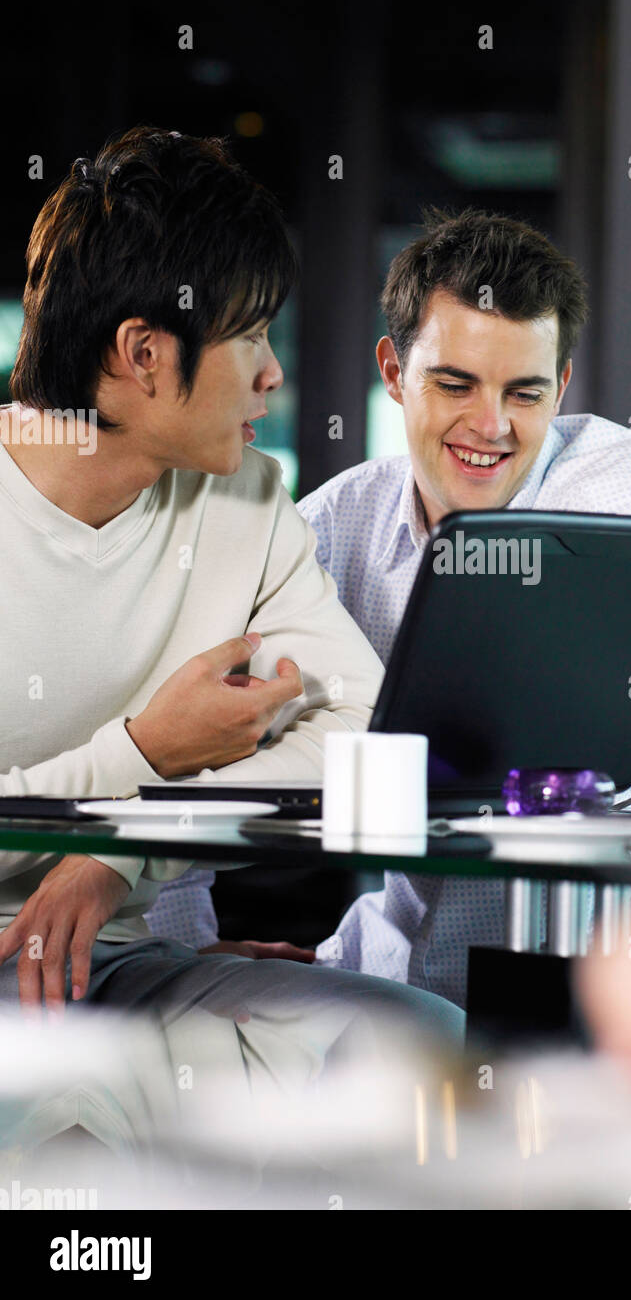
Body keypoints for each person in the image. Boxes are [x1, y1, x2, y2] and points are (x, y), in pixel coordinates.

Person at [149, 209, 631, 1007]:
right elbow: (190, 738)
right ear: (392, 372)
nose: (490, 426)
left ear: (560, 387)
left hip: (622, 1001)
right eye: (455, 384)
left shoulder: (614, 489)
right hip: (402, 979)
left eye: (523, 392)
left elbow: (569, 770)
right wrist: (183, 950)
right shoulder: (336, 525)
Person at [0, 128, 461, 1057]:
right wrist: (143, 753)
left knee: (412, 1042)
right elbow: (163, 751)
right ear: (143, 352)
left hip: (117, 971)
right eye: (249, 334)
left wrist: (127, 845)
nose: (271, 371)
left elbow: (357, 734)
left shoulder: (244, 495)